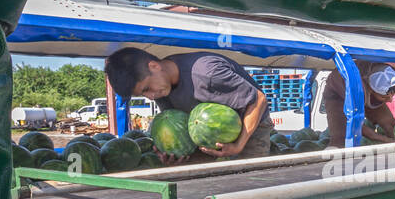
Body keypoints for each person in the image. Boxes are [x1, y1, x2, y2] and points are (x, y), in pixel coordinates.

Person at [103, 47, 272, 160]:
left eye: (147, 88)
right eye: (144, 94)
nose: (151, 97)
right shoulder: (162, 89)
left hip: (250, 130)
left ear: (154, 66)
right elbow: (182, 128)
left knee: (247, 188)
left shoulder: (207, 74)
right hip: (208, 139)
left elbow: (258, 100)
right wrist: (175, 153)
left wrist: (238, 146)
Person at [323, 62, 395, 148]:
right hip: (337, 94)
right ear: (371, 90)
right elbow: (355, 123)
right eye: (384, 97)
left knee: (391, 126)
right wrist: (386, 140)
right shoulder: (356, 89)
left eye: (392, 95)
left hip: (365, 89)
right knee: (340, 139)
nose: (390, 100)